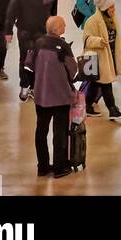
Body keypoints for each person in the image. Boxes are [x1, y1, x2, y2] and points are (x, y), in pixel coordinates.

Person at [25, 15, 78, 179]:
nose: (65, 27)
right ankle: (59, 167)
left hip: (41, 96)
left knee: (41, 131)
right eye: (63, 25)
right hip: (60, 96)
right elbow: (73, 70)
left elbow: (28, 66)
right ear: (57, 29)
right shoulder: (62, 46)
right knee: (60, 132)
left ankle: (42, 167)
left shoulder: (38, 43)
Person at [5, 0, 58, 94]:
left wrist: (53, 29)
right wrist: (8, 30)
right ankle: (25, 85)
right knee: (26, 59)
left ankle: (35, 86)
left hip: (42, 31)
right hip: (26, 31)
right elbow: (12, 9)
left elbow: (52, 9)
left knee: (41, 59)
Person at [82, 0, 121, 118]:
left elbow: (115, 35)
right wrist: (98, 41)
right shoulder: (92, 21)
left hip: (110, 56)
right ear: (104, 9)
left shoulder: (112, 19)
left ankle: (87, 106)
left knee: (95, 83)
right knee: (106, 83)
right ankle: (112, 110)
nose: (114, 9)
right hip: (99, 58)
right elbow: (86, 39)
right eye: (111, 7)